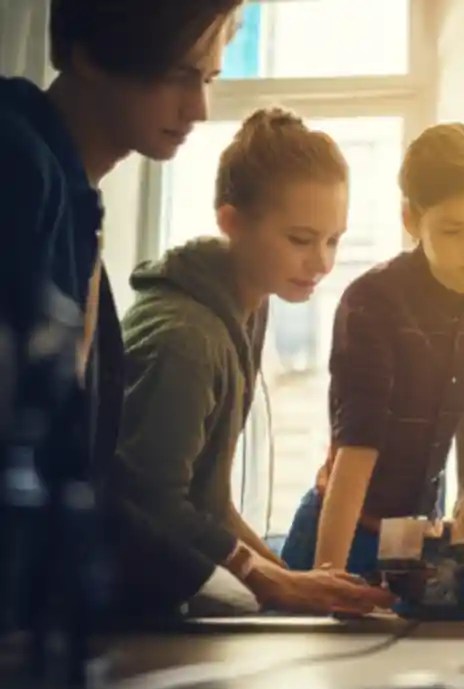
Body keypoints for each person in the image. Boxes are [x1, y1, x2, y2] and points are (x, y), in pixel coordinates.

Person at [0, 0, 251, 618]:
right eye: (177, 75)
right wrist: (204, 578)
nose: (199, 109)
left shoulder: (70, 194)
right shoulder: (17, 163)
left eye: (209, 80)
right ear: (88, 53)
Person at [115, 108, 393, 614]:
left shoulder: (248, 305)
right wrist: (275, 583)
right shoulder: (185, 341)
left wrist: (294, 584)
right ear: (232, 223)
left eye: (334, 240)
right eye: (300, 240)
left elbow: (211, 505)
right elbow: (150, 504)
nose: (322, 263)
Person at [280, 123, 464, 573]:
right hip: (345, 528)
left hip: (418, 535)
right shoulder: (372, 302)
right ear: (411, 221)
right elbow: (357, 446)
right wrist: (328, 574)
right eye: (453, 231)